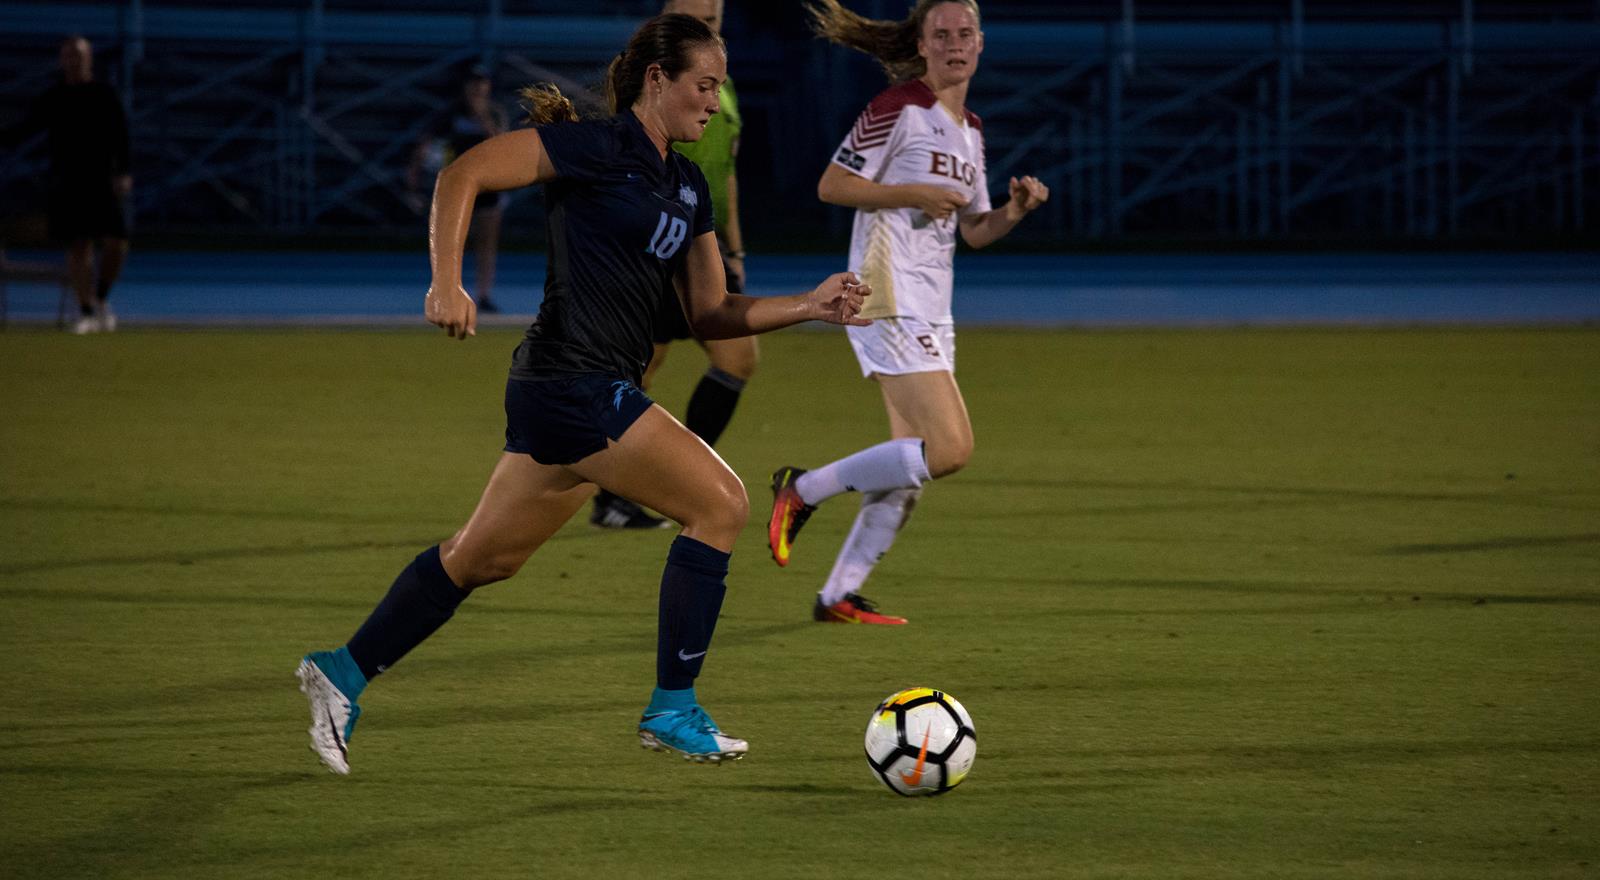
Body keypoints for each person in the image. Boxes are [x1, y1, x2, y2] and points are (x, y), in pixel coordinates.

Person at [295, 12, 871, 774]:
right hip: (572, 380)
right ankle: (673, 708)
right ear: (656, 80)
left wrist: (810, 303)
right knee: (723, 505)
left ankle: (339, 674)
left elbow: (710, 313)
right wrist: (445, 281)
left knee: (481, 559)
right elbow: (461, 174)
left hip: (574, 393)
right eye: (702, 86)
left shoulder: (687, 184)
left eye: (720, 89)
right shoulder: (592, 148)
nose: (713, 102)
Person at [767, 0, 1049, 624]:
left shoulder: (970, 128)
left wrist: (1015, 210)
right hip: (884, 294)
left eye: (965, 33)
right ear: (921, 46)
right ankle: (802, 489)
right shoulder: (898, 108)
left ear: (981, 43)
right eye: (941, 33)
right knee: (949, 449)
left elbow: (973, 230)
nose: (955, 43)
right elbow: (833, 185)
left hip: (932, 308)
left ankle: (836, 595)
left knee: (909, 468)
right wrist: (912, 191)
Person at [590, 0, 758, 530]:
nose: (714, 16)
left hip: (697, 240)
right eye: (702, 10)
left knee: (736, 358)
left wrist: (734, 248)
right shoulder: (654, 78)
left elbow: (725, 170)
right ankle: (613, 489)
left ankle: (656, 480)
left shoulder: (717, 83)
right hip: (663, 239)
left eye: (719, 11)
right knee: (631, 374)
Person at [2, 36, 132, 334]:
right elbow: (25, 128)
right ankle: (85, 311)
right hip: (67, 180)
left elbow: (121, 134)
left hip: (100, 179)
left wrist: (123, 171)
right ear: (63, 60)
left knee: (117, 243)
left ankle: (101, 299)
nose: (73, 60)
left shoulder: (103, 94)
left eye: (79, 55)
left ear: (89, 59)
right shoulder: (55, 97)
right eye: (68, 55)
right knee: (79, 245)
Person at [407, 66, 508, 314]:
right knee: (451, 240)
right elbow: (424, 146)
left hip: (488, 185)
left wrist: (483, 118)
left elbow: (503, 145)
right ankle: (448, 291)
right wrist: (414, 182)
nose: (477, 89)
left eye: (481, 83)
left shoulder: (494, 113)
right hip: (458, 185)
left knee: (487, 242)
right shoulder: (451, 114)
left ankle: (484, 294)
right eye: (473, 83)